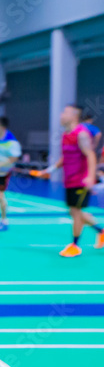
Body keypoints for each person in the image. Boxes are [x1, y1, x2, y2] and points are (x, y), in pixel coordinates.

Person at [50, 104, 104, 257]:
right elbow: (65, 157)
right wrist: (50, 170)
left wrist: (90, 176)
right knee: (74, 212)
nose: (61, 115)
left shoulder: (81, 134)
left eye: (65, 112)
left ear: (74, 116)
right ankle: (101, 231)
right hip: (69, 179)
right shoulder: (66, 134)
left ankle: (75, 245)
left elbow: (91, 155)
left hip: (81, 180)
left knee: (76, 211)